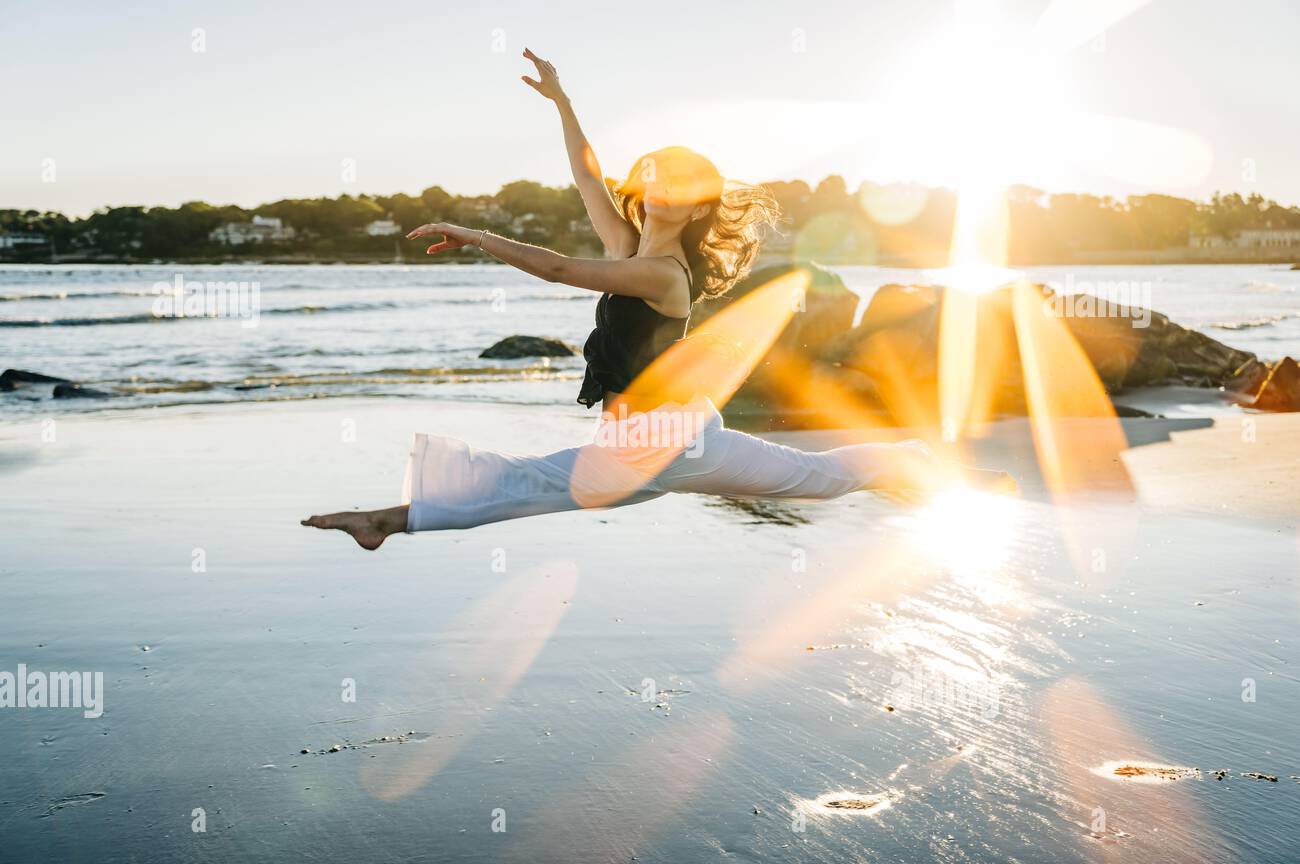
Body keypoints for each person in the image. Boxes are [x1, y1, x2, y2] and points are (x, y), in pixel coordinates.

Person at [303, 49, 1009, 551]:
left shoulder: (664, 273)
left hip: (671, 443)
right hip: (642, 438)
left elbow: (553, 269)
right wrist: (565, 103)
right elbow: (588, 181)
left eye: (675, 179)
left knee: (814, 478)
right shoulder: (632, 248)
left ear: (697, 202)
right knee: (522, 488)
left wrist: (477, 233)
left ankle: (937, 462)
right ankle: (384, 523)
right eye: (651, 174)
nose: (655, 184)